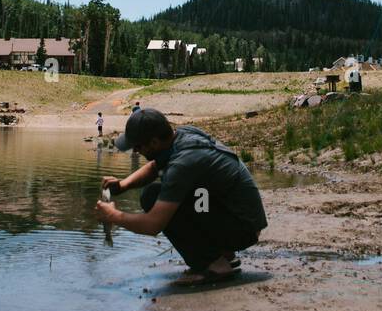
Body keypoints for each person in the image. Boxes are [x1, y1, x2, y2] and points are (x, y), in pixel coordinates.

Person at [94, 108, 267, 286]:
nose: (136, 152)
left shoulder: (184, 163)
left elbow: (153, 225)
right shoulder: (182, 135)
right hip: (240, 217)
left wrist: (113, 216)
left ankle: (214, 265)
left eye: (137, 147)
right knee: (156, 194)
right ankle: (222, 254)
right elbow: (155, 167)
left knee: (152, 197)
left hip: (242, 229)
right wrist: (123, 185)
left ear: (153, 142)